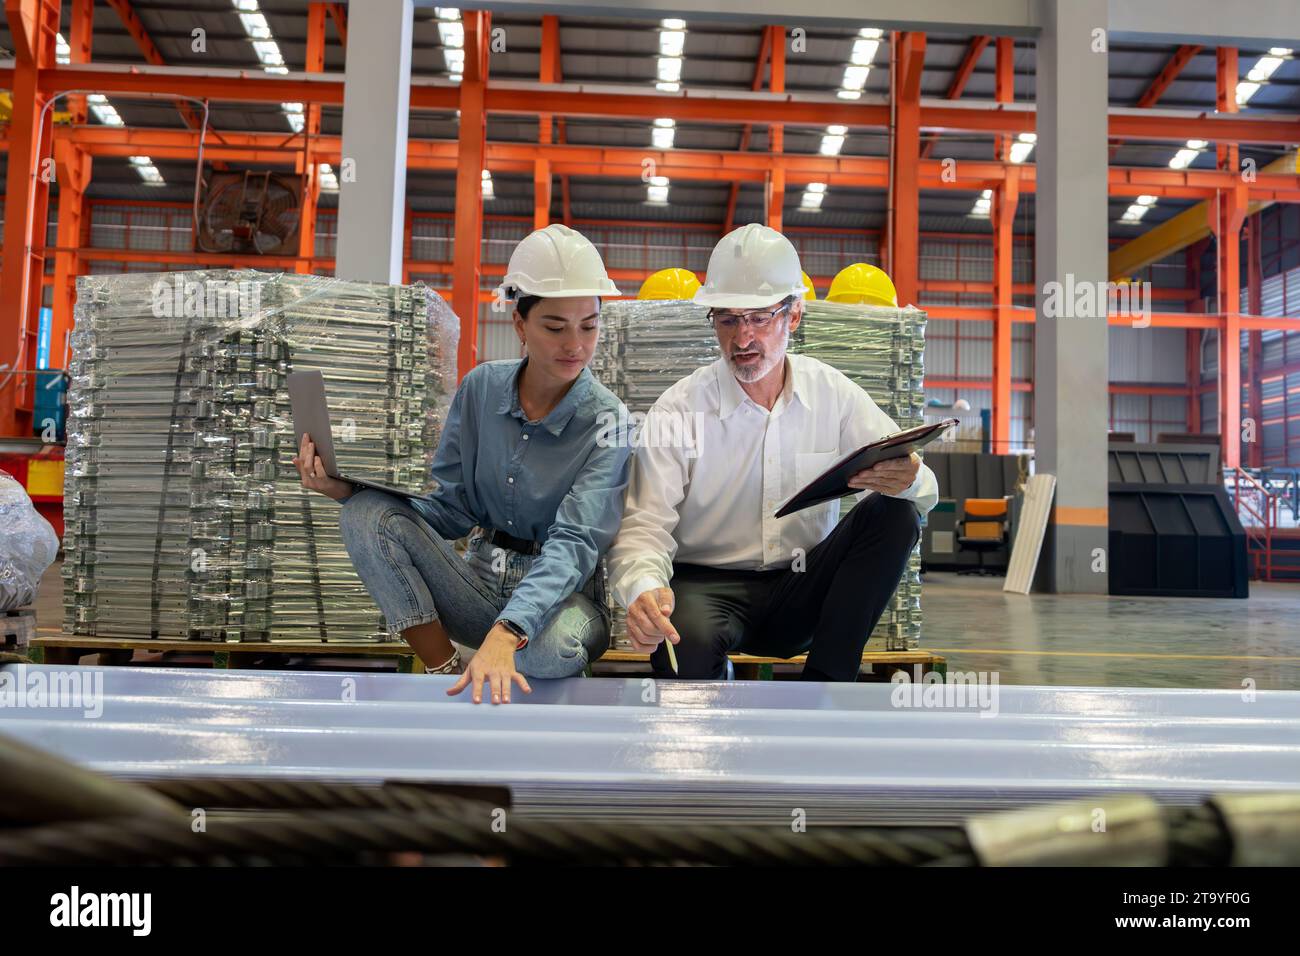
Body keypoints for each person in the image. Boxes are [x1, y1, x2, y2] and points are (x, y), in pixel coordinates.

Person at [294, 224, 632, 704]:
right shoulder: (481, 390)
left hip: (565, 602)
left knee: (546, 650)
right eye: (555, 327)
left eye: (589, 325)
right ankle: (445, 675)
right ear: (520, 324)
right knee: (365, 515)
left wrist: (508, 631)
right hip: (479, 581)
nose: (575, 344)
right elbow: (449, 511)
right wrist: (345, 489)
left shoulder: (610, 421)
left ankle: (504, 651)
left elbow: (575, 543)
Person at [607, 224, 939, 681]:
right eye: (727, 319)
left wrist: (911, 480)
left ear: (794, 315)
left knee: (896, 514)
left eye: (760, 318)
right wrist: (643, 589)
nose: (742, 339)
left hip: (800, 586)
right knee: (682, 648)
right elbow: (644, 525)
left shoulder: (833, 395)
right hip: (707, 589)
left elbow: (921, 489)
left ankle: (828, 687)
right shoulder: (680, 409)